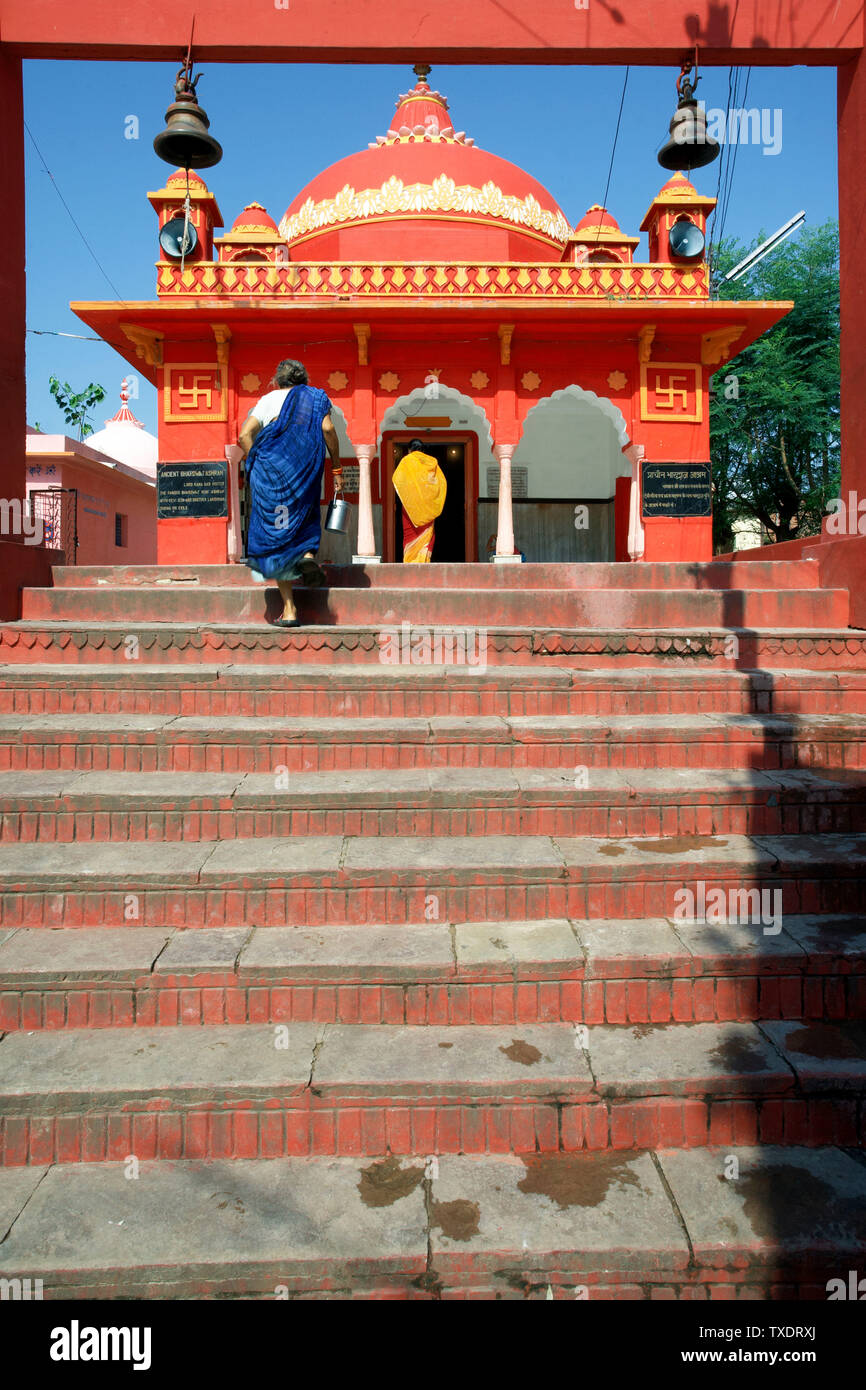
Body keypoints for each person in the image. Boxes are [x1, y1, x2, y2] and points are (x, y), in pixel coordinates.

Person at [238, 359, 342, 626]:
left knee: (278, 539)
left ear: (278, 380)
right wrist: (337, 469)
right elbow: (328, 429)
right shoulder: (316, 397)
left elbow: (244, 436)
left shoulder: (268, 399)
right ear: (303, 379)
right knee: (304, 521)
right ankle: (307, 556)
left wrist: (257, 464)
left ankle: (290, 610)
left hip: (273, 477)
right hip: (304, 473)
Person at [392, 439, 446, 563]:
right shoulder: (432, 462)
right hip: (428, 509)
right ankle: (424, 563)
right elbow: (440, 483)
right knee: (426, 537)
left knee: (409, 536)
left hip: (410, 508)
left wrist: (409, 494)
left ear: (409, 450)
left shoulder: (407, 461)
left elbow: (397, 479)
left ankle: (410, 565)